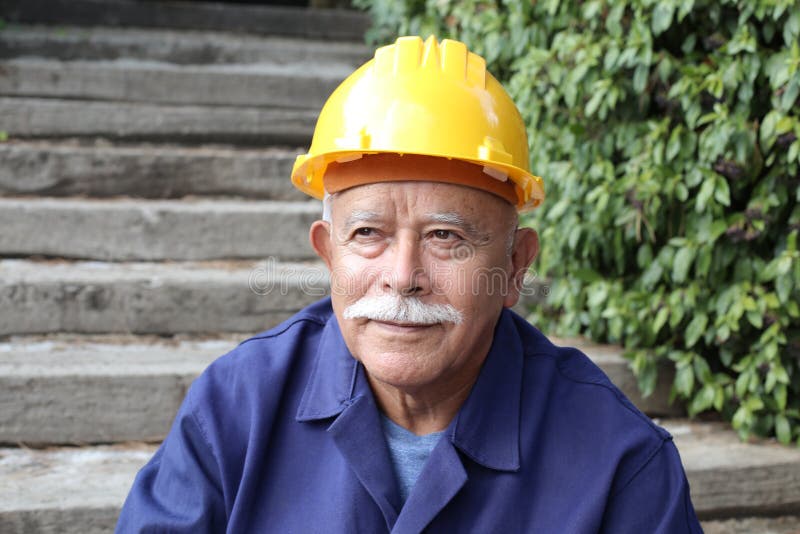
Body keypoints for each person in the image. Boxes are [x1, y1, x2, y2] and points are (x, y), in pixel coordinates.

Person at [116, 36, 702, 533]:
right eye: (368, 232)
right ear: (327, 254)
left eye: (446, 237)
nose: (402, 277)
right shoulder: (234, 409)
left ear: (515, 267)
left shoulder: (619, 462)